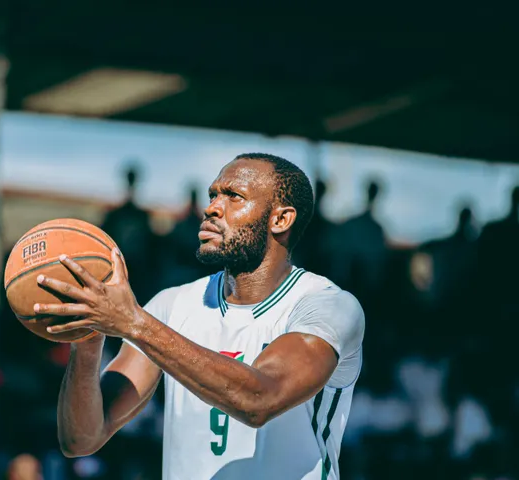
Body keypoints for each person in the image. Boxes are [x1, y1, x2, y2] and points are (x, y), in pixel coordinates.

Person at [36, 153, 365, 480]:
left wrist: (133, 323)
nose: (212, 208)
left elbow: (259, 399)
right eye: (213, 195)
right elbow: (81, 438)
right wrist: (89, 341)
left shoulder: (326, 305)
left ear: (280, 220)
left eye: (233, 196)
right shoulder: (171, 305)